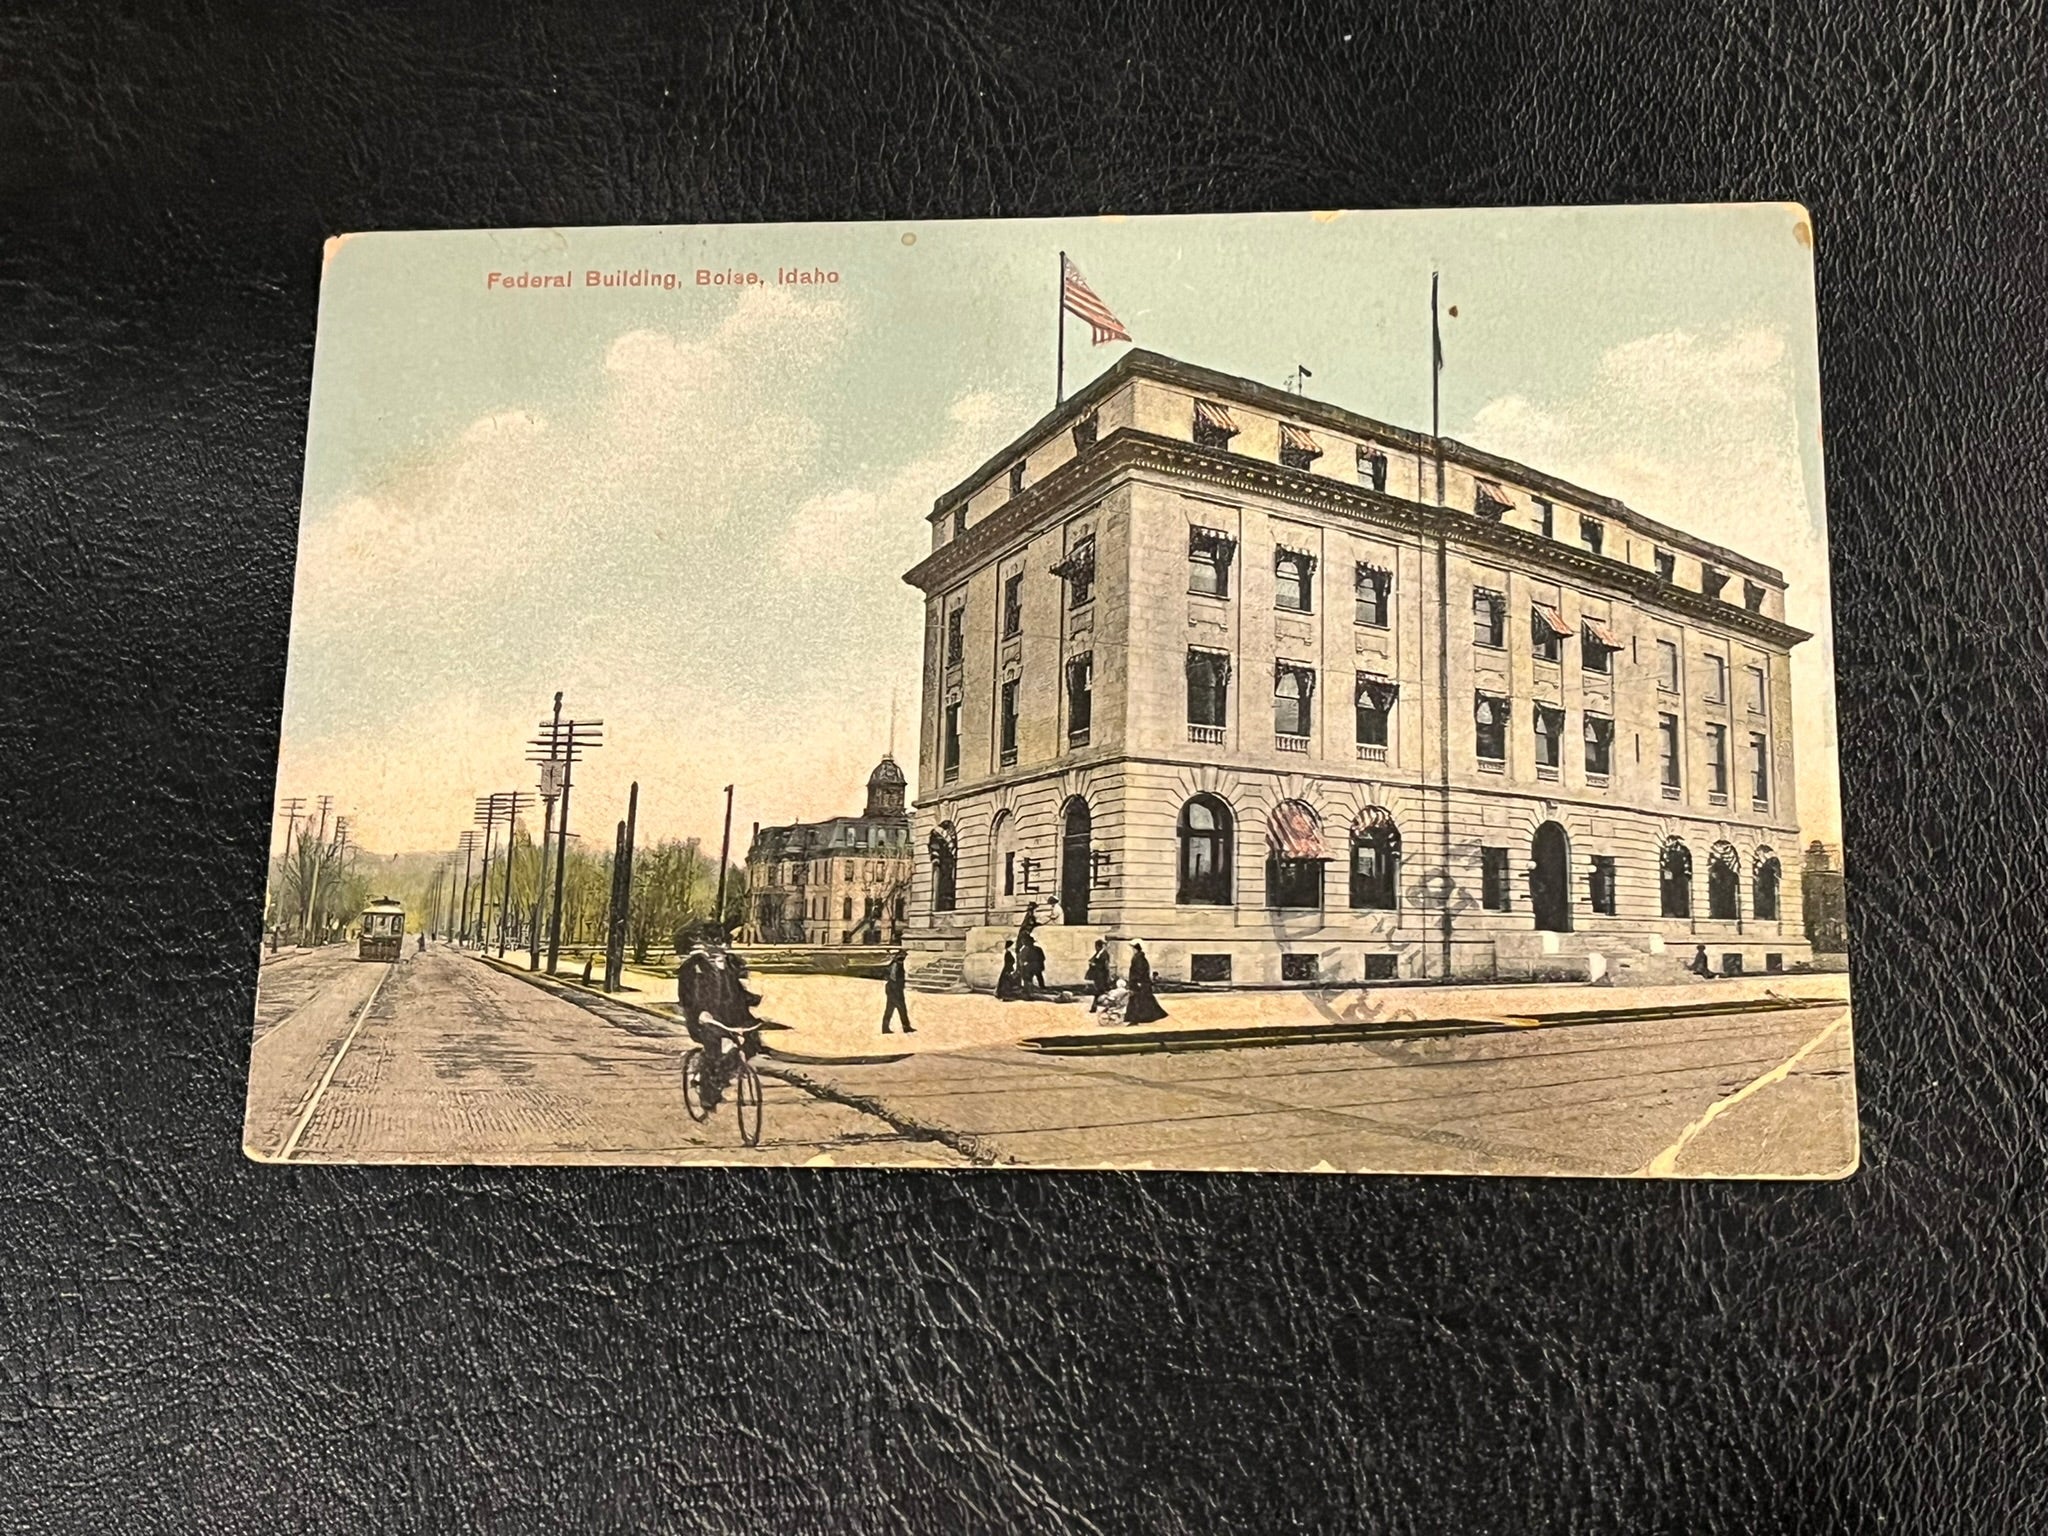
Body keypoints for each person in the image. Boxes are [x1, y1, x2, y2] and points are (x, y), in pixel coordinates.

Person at [1124, 940, 1167, 1025]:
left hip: (1139, 983)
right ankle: (1137, 1018)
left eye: (1133, 948)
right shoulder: (1138, 957)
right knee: (1141, 1000)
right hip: (1138, 983)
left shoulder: (1139, 958)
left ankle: (1135, 1019)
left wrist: (1138, 981)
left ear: (1136, 948)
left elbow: (1140, 971)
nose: (1132, 950)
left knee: (1138, 1000)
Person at [882, 948, 915, 1034]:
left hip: (892, 989)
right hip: (895, 990)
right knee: (899, 1009)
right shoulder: (897, 965)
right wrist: (898, 989)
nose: (904, 958)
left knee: (893, 1009)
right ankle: (905, 1027)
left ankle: (887, 1028)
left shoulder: (894, 964)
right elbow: (895, 978)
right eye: (903, 956)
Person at [1085, 938, 1113, 1013]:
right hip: (1098, 976)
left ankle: (1097, 1007)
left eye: (1096, 946)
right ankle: (1096, 1007)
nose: (1095, 948)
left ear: (1098, 946)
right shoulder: (1098, 953)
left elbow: (1105, 966)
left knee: (1100, 992)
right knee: (1099, 992)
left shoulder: (1104, 954)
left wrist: (1095, 965)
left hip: (1102, 976)